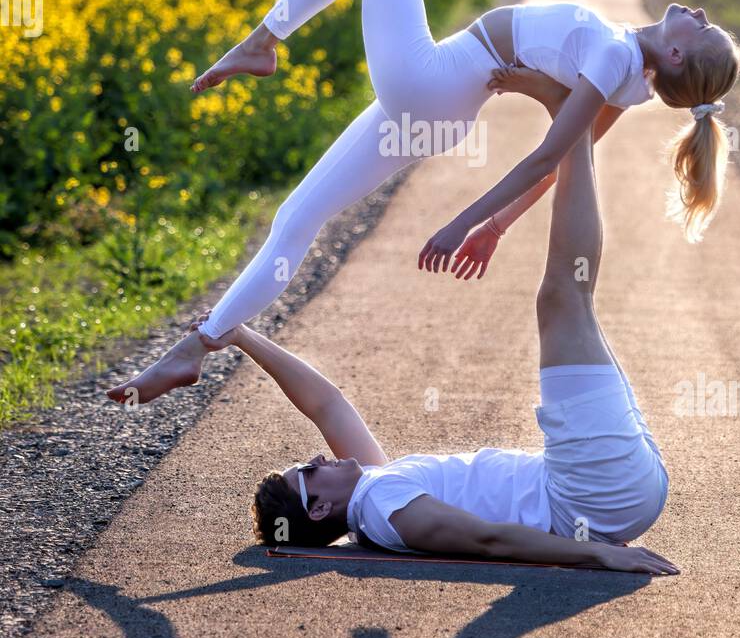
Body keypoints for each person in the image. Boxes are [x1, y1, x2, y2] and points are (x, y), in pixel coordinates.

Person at [107, 0, 740, 405]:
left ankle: (262, 41)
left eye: (704, 24)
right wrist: (496, 225)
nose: (700, 9)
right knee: (296, 220)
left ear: (680, 54)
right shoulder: (630, 77)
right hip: (436, 109)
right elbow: (565, 154)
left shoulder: (614, 62)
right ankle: (198, 344)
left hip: (430, 80)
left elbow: (550, 157)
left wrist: (466, 221)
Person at [229, 86, 676, 575]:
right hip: (588, 495)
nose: (318, 457)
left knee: (572, 304)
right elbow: (488, 541)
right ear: (318, 509)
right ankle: (574, 112)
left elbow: (326, 404)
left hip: (601, 489)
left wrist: (240, 334)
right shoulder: (383, 506)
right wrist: (597, 553)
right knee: (562, 300)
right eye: (309, 472)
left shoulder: (375, 490)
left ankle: (578, 117)